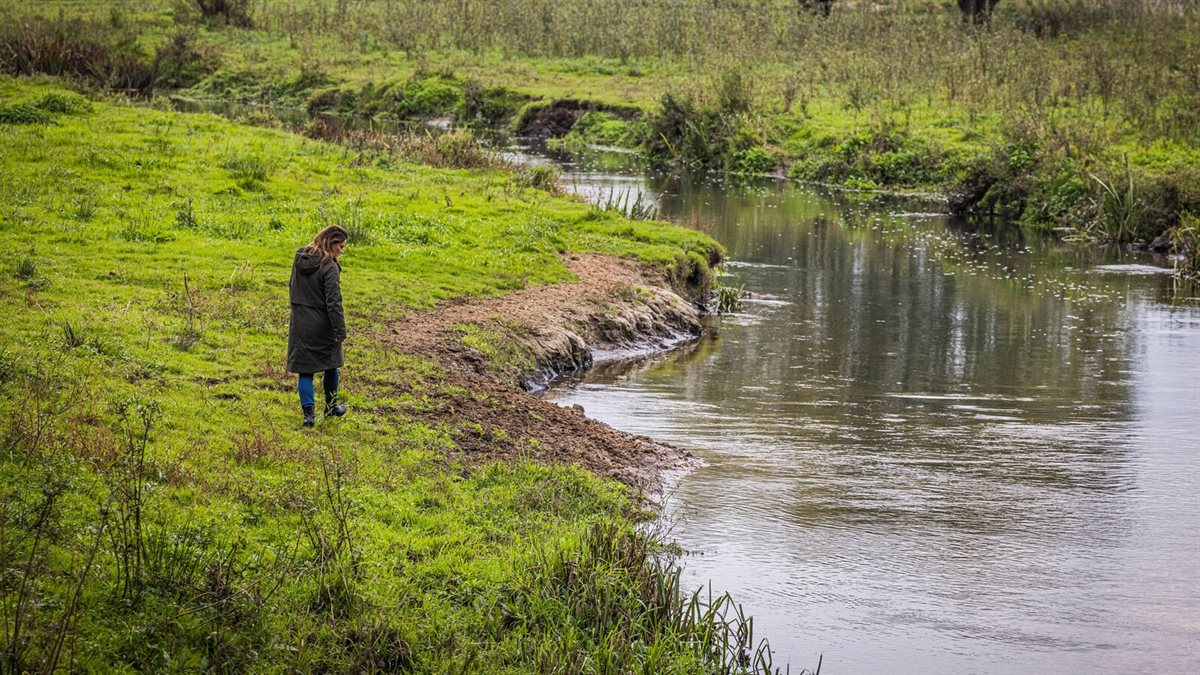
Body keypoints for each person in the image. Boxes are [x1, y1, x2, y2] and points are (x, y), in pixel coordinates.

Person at [286, 225, 349, 427]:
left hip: (300, 321)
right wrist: (339, 330)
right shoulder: (329, 266)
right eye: (340, 246)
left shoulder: (300, 257)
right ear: (331, 242)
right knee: (331, 364)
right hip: (322, 323)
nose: (342, 250)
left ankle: (308, 416)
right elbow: (334, 302)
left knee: (305, 371)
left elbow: (292, 286)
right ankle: (331, 407)